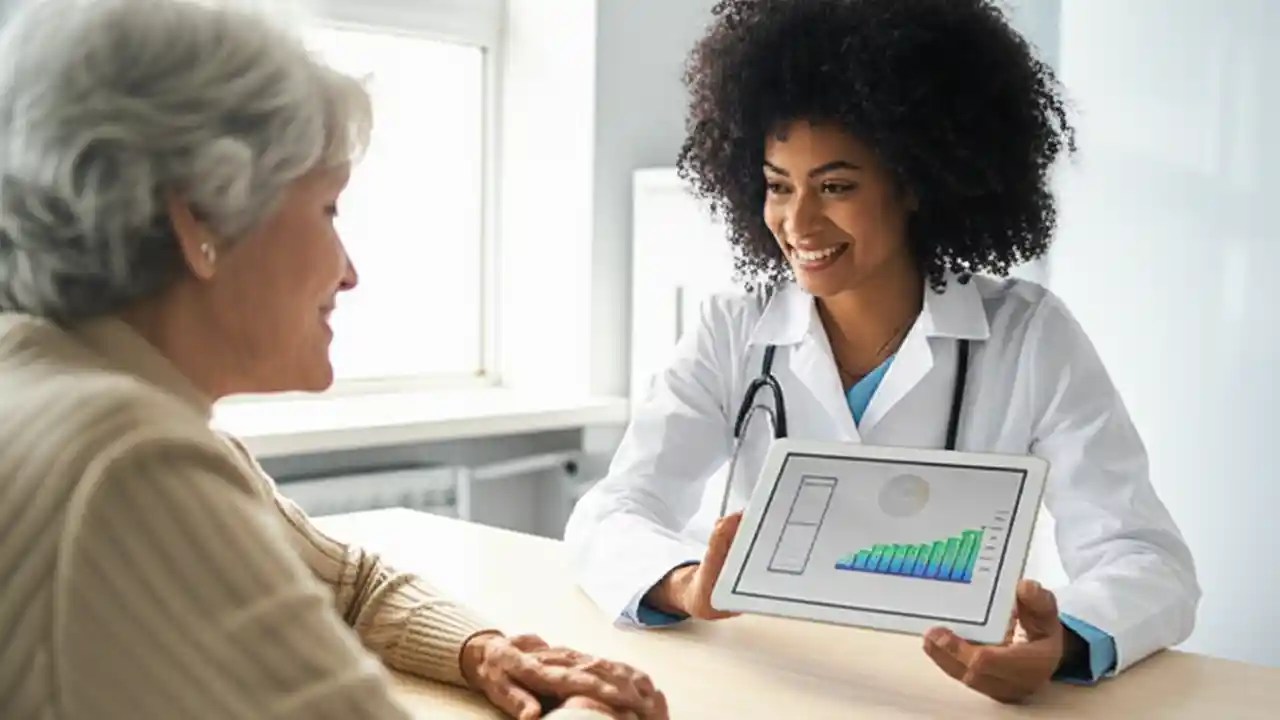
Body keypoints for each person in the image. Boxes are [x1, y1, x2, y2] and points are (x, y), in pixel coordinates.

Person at [0, 1, 666, 718]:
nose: (348, 273)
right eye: (328, 209)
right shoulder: (132, 463)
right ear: (200, 217)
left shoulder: (45, 379)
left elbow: (347, 584)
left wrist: (480, 648)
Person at [566, 0, 1199, 703]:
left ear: (915, 180)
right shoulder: (731, 330)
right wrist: (686, 585)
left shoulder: (1029, 337)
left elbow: (1147, 558)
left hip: (943, 696)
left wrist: (1063, 643)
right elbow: (612, 511)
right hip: (767, 686)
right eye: (779, 187)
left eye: (835, 186)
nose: (798, 222)